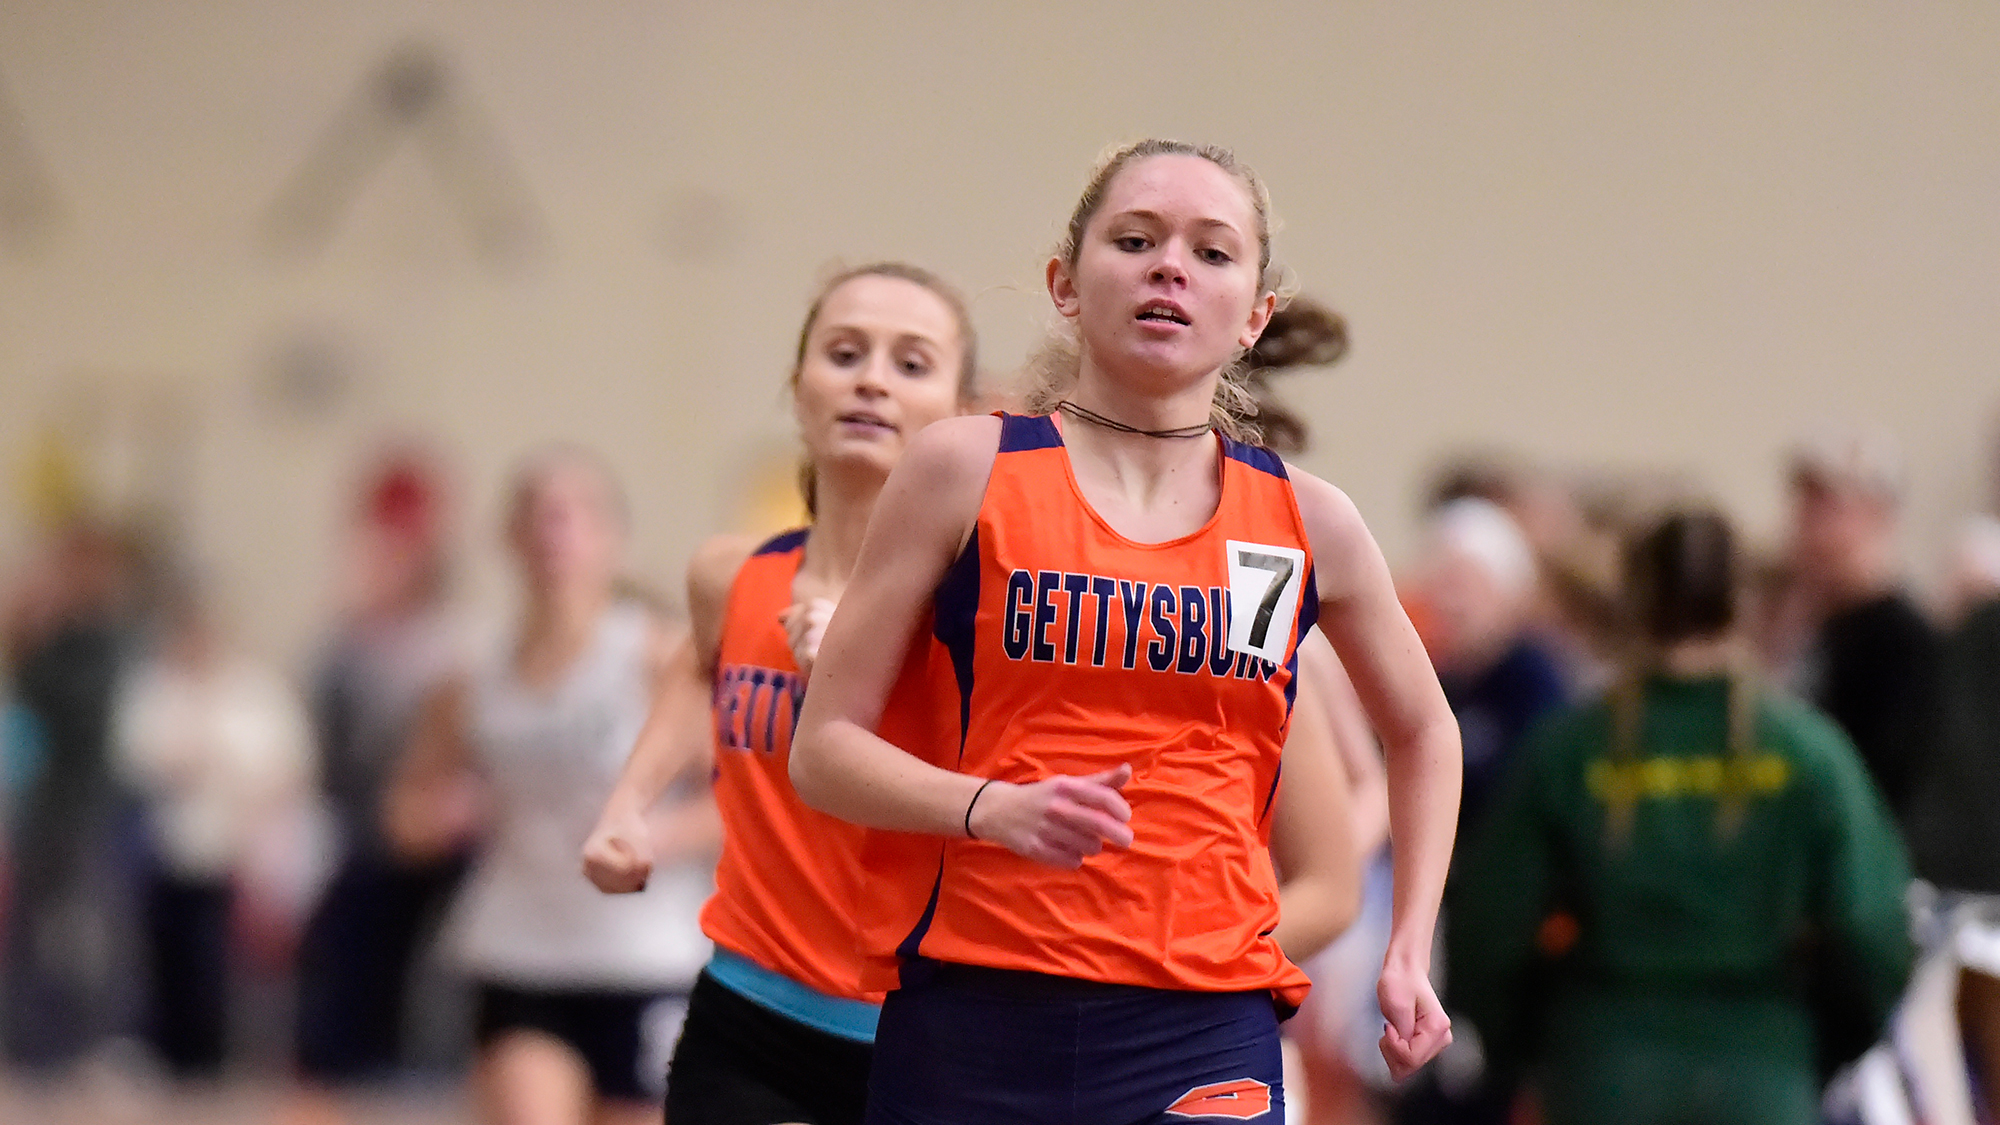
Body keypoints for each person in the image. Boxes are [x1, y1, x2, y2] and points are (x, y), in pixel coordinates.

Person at [789, 139, 1462, 1125]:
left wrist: (1406, 945)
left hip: (1202, 1023)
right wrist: (988, 807)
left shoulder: (1302, 520)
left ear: (1255, 315)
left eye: (1211, 252)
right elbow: (823, 749)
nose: (1169, 268)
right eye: (1136, 240)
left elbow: (1424, 729)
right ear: (1064, 284)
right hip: (975, 1010)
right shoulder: (962, 470)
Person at [582, 262, 983, 1125]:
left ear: (958, 417)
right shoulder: (732, 577)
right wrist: (629, 803)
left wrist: (849, 668)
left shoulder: (975, 609)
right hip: (748, 1017)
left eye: (911, 363)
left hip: (920, 1032)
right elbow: (700, 669)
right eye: (845, 353)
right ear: (798, 388)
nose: (872, 379)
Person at [1447, 508, 1913, 1125]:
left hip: (1603, 1072)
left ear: (1634, 603)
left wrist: (1531, 1047)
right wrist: (1820, 1047)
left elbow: (1489, 926)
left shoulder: (1572, 750)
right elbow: (1872, 926)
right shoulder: (1808, 754)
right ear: (1744, 603)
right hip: (1760, 1075)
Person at [387, 447, 714, 1125]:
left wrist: (654, 834)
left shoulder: (657, 656)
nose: (555, 530)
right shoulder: (472, 674)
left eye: (576, 513)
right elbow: (405, 809)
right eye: (539, 513)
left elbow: (743, 801)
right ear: (509, 537)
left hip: (643, 955)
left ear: (614, 537)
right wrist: (439, 816)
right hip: (519, 950)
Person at [112, 579, 314, 1079]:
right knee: (166, 960)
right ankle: (167, 1053)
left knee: (217, 964)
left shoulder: (253, 692)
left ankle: (215, 1057)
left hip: (234, 849)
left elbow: (284, 764)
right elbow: (138, 757)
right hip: (166, 850)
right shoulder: (156, 688)